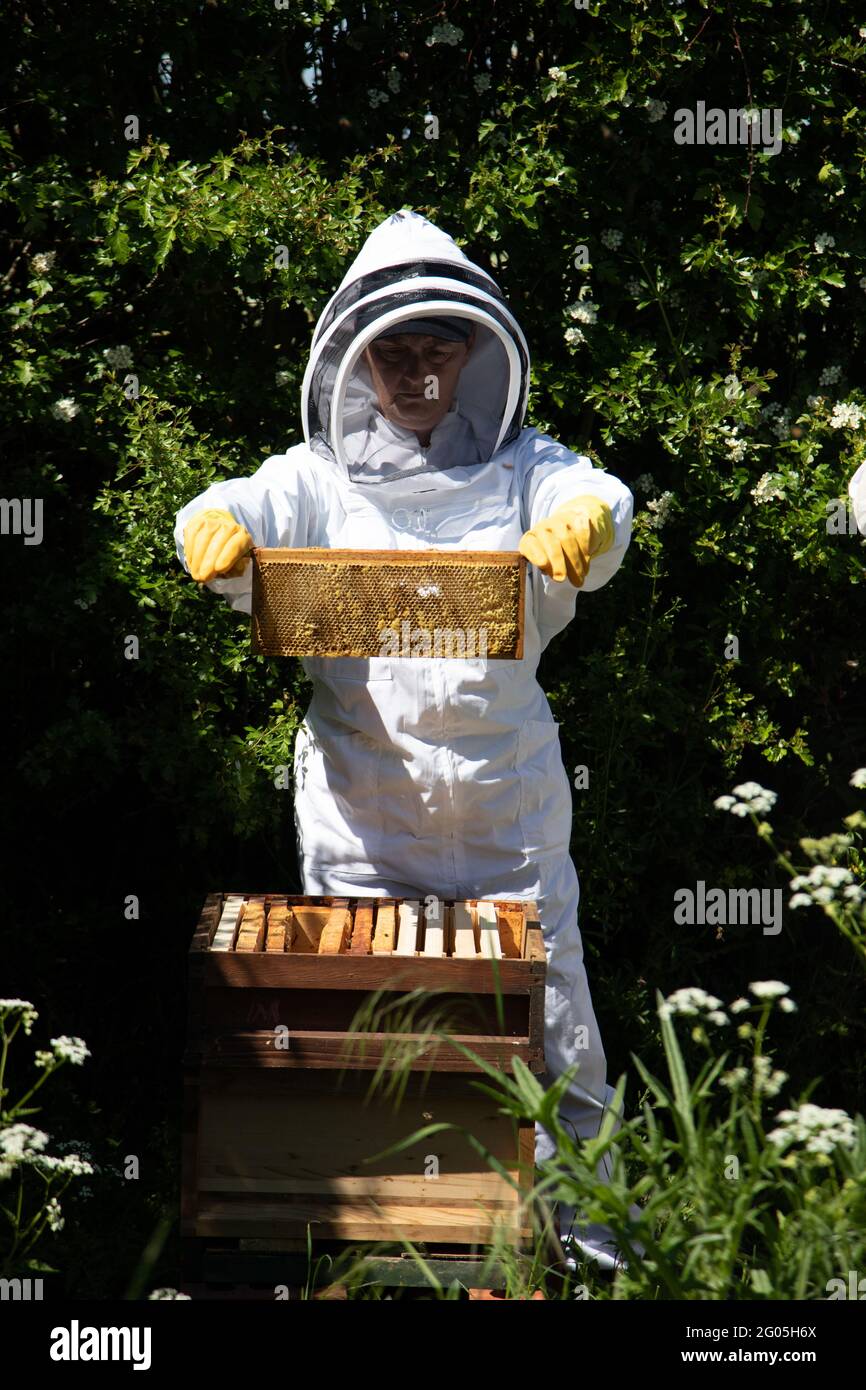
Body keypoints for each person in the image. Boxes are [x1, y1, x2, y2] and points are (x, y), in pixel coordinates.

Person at [174, 209, 639, 1272]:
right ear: (357, 357)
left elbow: (594, 497)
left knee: (554, 1037)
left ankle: (593, 1259)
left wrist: (589, 527)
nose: (418, 370)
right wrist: (210, 528)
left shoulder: (527, 467)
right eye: (395, 350)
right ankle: (387, 1260)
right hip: (360, 816)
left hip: (506, 812)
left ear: (475, 352)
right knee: (366, 1048)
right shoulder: (315, 480)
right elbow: (232, 507)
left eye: (438, 348)